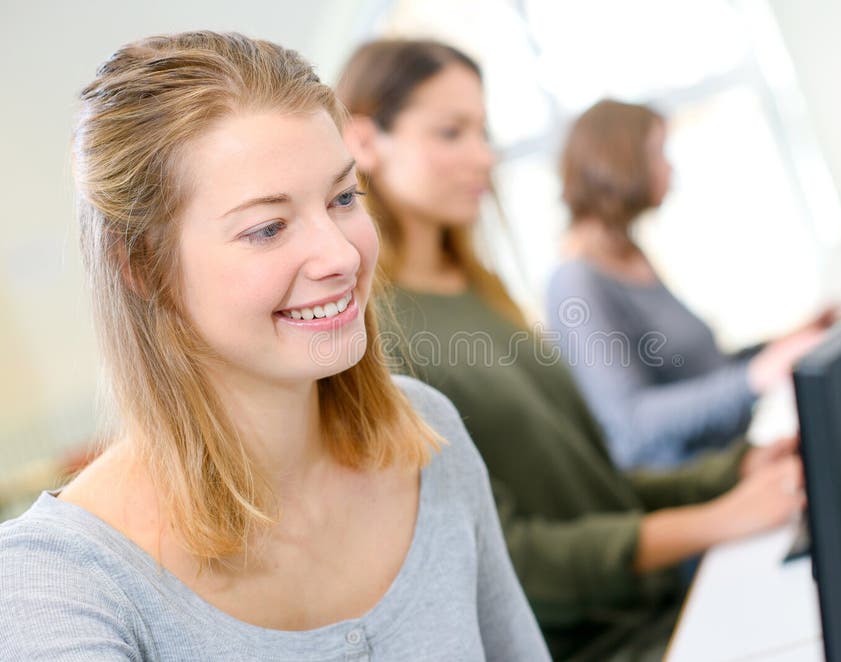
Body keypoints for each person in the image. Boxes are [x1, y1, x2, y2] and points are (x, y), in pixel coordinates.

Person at [0, 31, 549, 662]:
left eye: (344, 198)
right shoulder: (57, 590)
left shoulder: (425, 432)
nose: (342, 255)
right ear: (142, 268)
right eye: (268, 228)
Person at [337, 38, 805, 661]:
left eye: (483, 131)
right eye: (451, 133)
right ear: (365, 141)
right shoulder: (378, 343)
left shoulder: (485, 293)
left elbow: (591, 487)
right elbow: (514, 557)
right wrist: (719, 518)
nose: (484, 156)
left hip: (662, 607)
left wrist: (735, 470)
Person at [546, 99, 830, 471]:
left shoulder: (630, 256)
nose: (669, 167)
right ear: (619, 163)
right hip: (697, 482)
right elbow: (632, 421)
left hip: (736, 451)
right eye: (657, 153)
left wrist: (782, 345)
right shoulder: (576, 281)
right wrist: (752, 378)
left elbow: (699, 369)